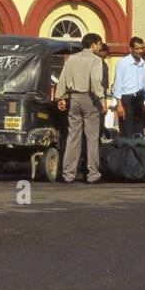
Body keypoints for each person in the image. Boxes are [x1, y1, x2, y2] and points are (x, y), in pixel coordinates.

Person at [55, 32, 109, 183]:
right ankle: (93, 174)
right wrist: (102, 99)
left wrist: (60, 97)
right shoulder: (96, 60)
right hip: (90, 98)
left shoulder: (71, 58)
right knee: (92, 138)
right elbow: (96, 80)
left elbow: (63, 79)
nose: (100, 47)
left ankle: (68, 174)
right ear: (94, 44)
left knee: (73, 137)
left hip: (74, 97)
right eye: (99, 44)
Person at [112, 36, 145, 139]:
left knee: (138, 130)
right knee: (127, 130)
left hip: (139, 99)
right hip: (127, 99)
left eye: (141, 48)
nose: (140, 51)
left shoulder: (143, 63)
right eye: (137, 48)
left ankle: (137, 153)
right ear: (131, 49)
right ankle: (126, 153)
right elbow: (117, 84)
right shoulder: (123, 63)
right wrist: (119, 105)